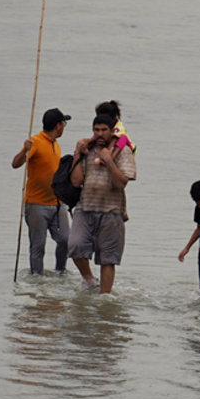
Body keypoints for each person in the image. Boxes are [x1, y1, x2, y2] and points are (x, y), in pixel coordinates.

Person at [68, 113, 136, 293]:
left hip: (112, 211)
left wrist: (108, 160)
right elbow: (76, 182)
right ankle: (89, 279)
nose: (99, 134)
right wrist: (77, 154)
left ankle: (104, 296)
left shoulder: (123, 151)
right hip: (85, 207)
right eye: (96, 130)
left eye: (103, 130)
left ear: (112, 131)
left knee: (108, 259)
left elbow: (122, 183)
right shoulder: (87, 150)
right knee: (75, 245)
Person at [10, 108, 72, 275]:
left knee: (66, 240)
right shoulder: (36, 142)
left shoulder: (56, 145)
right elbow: (15, 164)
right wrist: (24, 150)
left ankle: (60, 272)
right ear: (58, 126)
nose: (64, 127)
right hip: (36, 204)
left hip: (57, 204)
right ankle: (37, 278)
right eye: (63, 123)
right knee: (38, 246)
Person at [95, 100, 134, 222]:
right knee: (116, 187)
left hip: (122, 147)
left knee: (119, 185)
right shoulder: (107, 126)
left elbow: (120, 141)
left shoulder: (118, 128)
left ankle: (123, 211)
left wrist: (109, 157)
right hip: (112, 149)